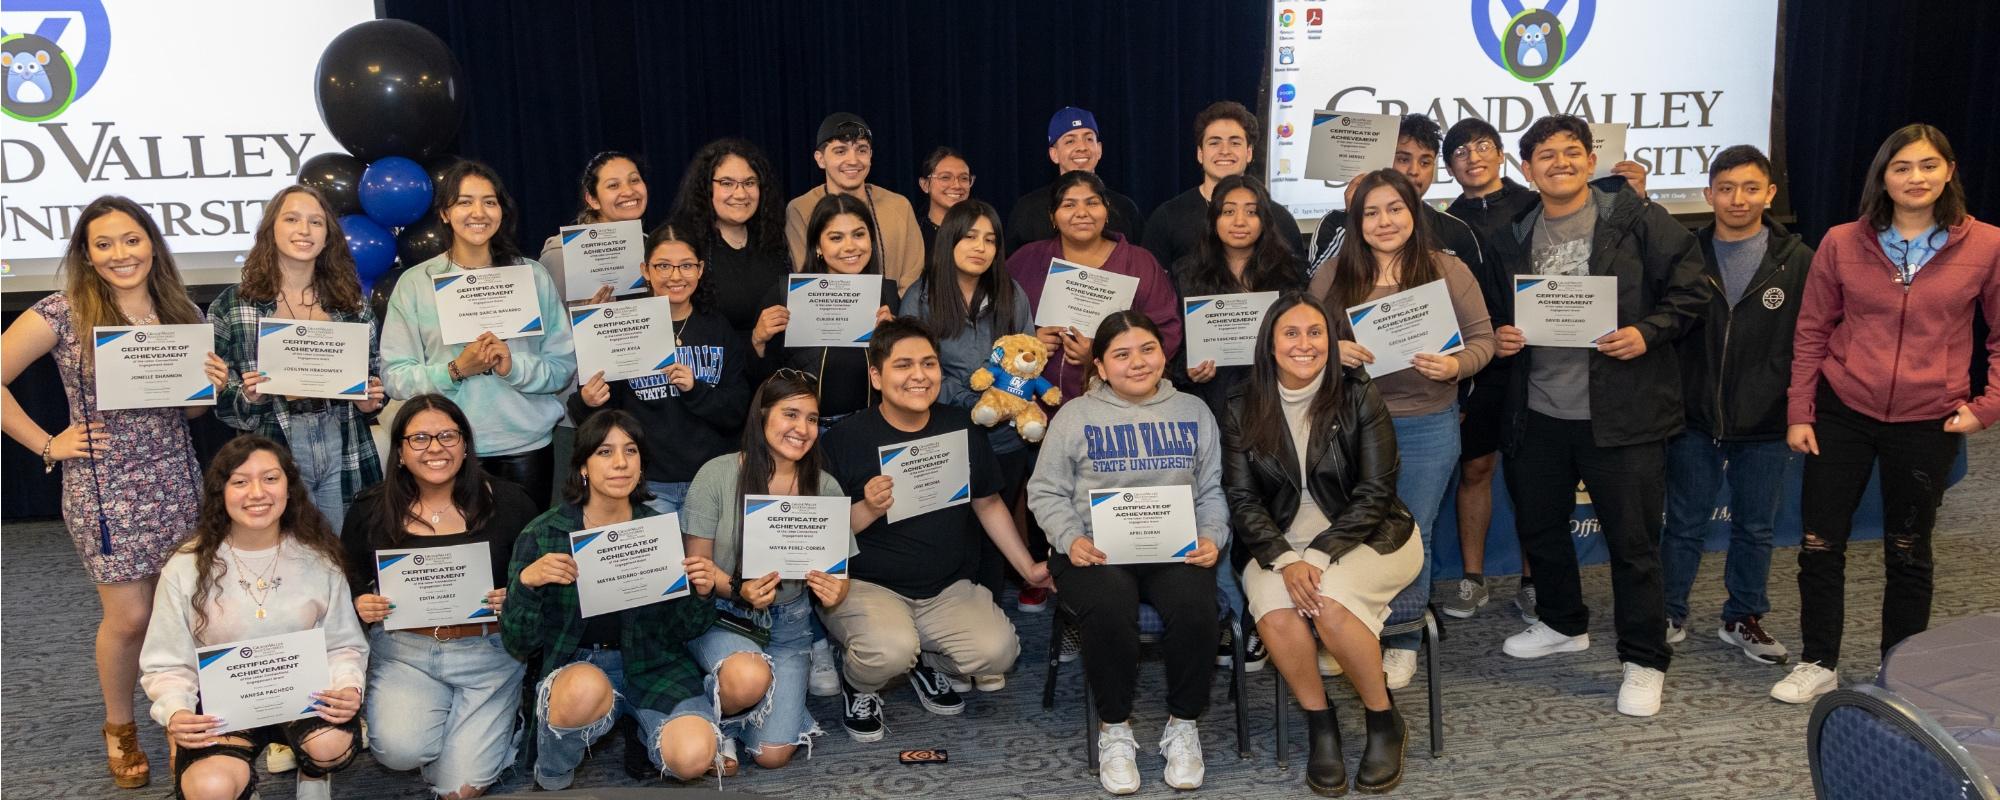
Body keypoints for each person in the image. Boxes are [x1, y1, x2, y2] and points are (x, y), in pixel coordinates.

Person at [0, 195, 224, 791]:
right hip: (106, 488)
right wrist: (48, 444)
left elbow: (189, 415)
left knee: (188, 608)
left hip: (175, 479)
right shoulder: (63, 311)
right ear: (87, 255)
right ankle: (120, 728)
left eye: (131, 239)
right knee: (130, 617)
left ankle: (190, 725)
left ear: (152, 243)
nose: (121, 253)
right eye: (104, 244)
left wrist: (208, 390)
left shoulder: (179, 310)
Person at [1489, 115, 1710, 718]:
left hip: (1622, 414)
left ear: (1591, 160)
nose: (1558, 163)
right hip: (1537, 411)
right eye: (1544, 156)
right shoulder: (1515, 232)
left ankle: (1644, 659)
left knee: (1633, 544)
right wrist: (1503, 338)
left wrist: (1646, 332)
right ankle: (1563, 622)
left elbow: (1694, 293)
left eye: (1570, 153)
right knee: (1540, 528)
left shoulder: (1638, 219)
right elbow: (1496, 314)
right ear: (1525, 168)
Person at [1774, 123, 2000, 703]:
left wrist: (1987, 407)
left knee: (1908, 548)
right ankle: (1817, 659)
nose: (1915, 178)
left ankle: (1899, 673)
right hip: (1842, 410)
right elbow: (1811, 330)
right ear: (1884, 177)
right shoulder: (1841, 242)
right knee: (1820, 542)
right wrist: (1801, 409)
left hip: (1930, 419)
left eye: (1927, 165)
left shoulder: (1986, 245)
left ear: (1948, 171)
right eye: (1901, 167)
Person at [1221, 292, 1420, 795]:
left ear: (1332, 343)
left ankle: (1382, 719)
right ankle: (1320, 725)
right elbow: (1243, 500)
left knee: (1327, 605)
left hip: (1370, 534)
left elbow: (1377, 492)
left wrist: (1316, 554)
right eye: (1291, 333)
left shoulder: (1358, 393)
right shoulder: (1240, 406)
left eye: (1315, 333)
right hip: (1275, 541)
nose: (1304, 344)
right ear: (1269, 343)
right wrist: (1287, 557)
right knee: (1278, 612)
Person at [819, 317, 1051, 737]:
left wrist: (1030, 569)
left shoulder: (959, 425)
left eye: (928, 364)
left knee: (999, 652)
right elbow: (820, 537)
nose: (918, 376)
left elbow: (989, 503)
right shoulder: (844, 439)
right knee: (888, 651)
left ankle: (923, 658)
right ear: (876, 375)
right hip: (869, 586)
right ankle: (861, 682)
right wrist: (868, 507)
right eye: (903, 365)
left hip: (945, 587)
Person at [1028, 311, 1228, 795]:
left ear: (1164, 355)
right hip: (1093, 550)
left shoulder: (1194, 411)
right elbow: (1045, 492)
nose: (1137, 362)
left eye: (1147, 350)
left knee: (1196, 607)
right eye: (1121, 354)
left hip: (1172, 546)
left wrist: (1213, 536)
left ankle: (1183, 725)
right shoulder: (1075, 415)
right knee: (1112, 607)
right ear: (1099, 365)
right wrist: (1070, 538)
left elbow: (1211, 490)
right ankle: (1114, 729)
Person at [1312, 169, 1497, 689]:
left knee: (1411, 531)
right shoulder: (1332, 275)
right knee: (1347, 527)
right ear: (1357, 221)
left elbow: (1482, 340)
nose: (1384, 221)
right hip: (1350, 424)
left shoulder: (1447, 269)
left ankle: (1401, 637)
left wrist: (1457, 367)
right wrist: (1331, 349)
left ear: (1413, 213)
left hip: (1427, 423)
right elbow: (1300, 340)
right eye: (1371, 212)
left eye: (1395, 208)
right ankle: (1347, 630)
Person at [501, 410, 735, 788]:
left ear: (642, 464)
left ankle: (642, 729)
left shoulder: (659, 531)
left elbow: (682, 630)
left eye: (631, 450)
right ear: (583, 467)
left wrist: (702, 593)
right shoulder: (544, 534)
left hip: (653, 663)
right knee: (584, 689)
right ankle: (553, 773)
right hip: (581, 666)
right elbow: (519, 643)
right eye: (605, 452)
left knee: (693, 756)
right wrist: (527, 584)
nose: (621, 463)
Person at [139, 436, 367, 800]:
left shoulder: (318, 559)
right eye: (240, 481)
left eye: (271, 479)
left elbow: (343, 645)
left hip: (302, 699)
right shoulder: (185, 568)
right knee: (210, 789)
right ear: (221, 492)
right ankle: (242, 782)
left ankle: (312, 773)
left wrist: (348, 687)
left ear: (290, 488)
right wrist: (176, 712)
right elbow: (166, 662)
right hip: (222, 708)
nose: (257, 493)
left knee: (330, 745)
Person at [1659, 145, 1812, 666]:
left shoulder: (1797, 261)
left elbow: (1810, 342)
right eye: (1726, 188)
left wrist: (1795, 408)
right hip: (1694, 418)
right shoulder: (1685, 255)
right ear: (1709, 194)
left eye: (1751, 188)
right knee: (1682, 522)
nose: (1738, 199)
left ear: (1770, 193)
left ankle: (1743, 617)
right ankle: (1669, 611)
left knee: (1755, 527)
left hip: (1766, 420)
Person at [341, 394, 537, 799]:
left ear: (465, 445)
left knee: (457, 791)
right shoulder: (371, 509)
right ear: (399, 452)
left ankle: (500, 720)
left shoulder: (511, 503)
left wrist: (514, 594)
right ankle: (452, 724)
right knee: (399, 751)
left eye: (448, 436)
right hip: (406, 652)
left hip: (488, 654)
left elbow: (537, 578)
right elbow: (348, 576)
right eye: (420, 439)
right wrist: (362, 601)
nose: (435, 448)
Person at [382, 160, 578, 508]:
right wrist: (455, 369)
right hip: (444, 452)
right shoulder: (415, 283)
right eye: (464, 201)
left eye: (489, 201)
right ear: (444, 213)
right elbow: (396, 378)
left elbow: (562, 366)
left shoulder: (531, 276)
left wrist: (511, 367)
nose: (479, 212)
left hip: (526, 447)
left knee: (522, 557)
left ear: (502, 210)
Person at [681, 371, 855, 760]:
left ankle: (759, 706)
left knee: (773, 755)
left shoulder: (825, 486)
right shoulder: (717, 474)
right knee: (746, 679)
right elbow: (698, 568)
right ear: (762, 417)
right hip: (723, 615)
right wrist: (737, 588)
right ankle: (714, 707)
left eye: (812, 419)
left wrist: (835, 590)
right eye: (790, 414)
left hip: (790, 624)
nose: (803, 428)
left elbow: (839, 577)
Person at [211, 185, 386, 532]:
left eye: (316, 222)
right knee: (286, 556)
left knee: (346, 552)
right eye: (292, 219)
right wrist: (248, 395)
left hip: (344, 438)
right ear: (271, 229)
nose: (304, 230)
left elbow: (375, 379)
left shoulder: (353, 305)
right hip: (273, 442)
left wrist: (371, 400)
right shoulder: (234, 305)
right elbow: (218, 399)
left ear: (328, 237)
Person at [900, 200, 1045, 608]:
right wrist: (972, 397)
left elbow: (1029, 359)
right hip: (943, 430)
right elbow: (914, 369)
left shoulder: (1010, 292)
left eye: (990, 239)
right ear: (948, 241)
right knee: (953, 535)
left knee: (993, 542)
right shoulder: (921, 296)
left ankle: (992, 617)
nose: (980, 247)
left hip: (1004, 439)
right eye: (970, 237)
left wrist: (1002, 398)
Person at [1439, 116, 1542, 622]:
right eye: (1459, 151)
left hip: (1542, 360)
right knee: (1476, 467)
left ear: (1501, 153)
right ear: (1450, 166)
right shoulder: (1444, 224)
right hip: (1481, 365)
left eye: (1482, 146)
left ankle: (1533, 579)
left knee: (1532, 471)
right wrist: (1485, 340)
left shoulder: (1537, 204)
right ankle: (1473, 578)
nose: (1472, 156)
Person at [572, 224, 750, 514]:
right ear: (645, 270)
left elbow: (737, 412)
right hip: (648, 483)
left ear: (701, 269)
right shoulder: (621, 326)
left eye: (687, 265)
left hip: (711, 480)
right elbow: (598, 417)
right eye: (663, 266)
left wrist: (695, 389)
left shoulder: (718, 328)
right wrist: (586, 401)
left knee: (707, 561)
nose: (676, 276)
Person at [1007, 170, 1184, 414]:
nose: (1082, 213)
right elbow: (995, 326)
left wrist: (1102, 355)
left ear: (1106, 210)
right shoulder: (1025, 261)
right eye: (1069, 204)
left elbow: (1167, 332)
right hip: (1035, 413)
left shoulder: (1140, 263)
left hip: (1122, 410)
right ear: (1053, 216)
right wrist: (1027, 343)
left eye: (1092, 202)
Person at [752, 193, 900, 428]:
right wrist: (758, 342)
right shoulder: (787, 295)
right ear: (818, 247)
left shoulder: (889, 296)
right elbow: (760, 382)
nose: (850, 246)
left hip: (869, 428)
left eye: (859, 234)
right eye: (836, 238)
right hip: (805, 432)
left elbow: (901, 380)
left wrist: (893, 340)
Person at [1169, 173, 1309, 413]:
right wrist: (1188, 369)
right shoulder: (1186, 273)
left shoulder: (1290, 271)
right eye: (1229, 211)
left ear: (1265, 220)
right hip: (1211, 402)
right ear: (1214, 219)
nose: (1240, 222)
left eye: (1251, 212)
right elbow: (1173, 344)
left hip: (1275, 400)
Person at [1143, 100, 1306, 269]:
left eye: (1235, 143)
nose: (1225, 151)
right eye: (1214, 143)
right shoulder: (1167, 218)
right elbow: (1151, 286)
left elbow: (1297, 285)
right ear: (1200, 153)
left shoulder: (1279, 218)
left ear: (1249, 153)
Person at [784, 113, 926, 293]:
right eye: (840, 151)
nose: (853, 160)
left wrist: (893, 318)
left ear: (871, 155)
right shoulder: (800, 209)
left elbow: (913, 279)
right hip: (828, 315)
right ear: (820, 159)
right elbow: (807, 278)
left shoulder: (899, 206)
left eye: (861, 150)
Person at [668, 139, 794, 339]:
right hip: (718, 365)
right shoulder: (686, 248)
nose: (740, 193)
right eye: (727, 183)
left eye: (749, 183)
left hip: (777, 365)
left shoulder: (774, 239)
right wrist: (755, 339)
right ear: (706, 188)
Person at [1008, 106, 1147, 250]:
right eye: (1070, 141)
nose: (1082, 147)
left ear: (1099, 149)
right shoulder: (1028, 209)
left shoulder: (1125, 209)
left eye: (1088, 139)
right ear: (1054, 154)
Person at [538, 151, 650, 303]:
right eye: (613, 185)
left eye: (634, 180)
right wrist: (587, 317)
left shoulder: (652, 247)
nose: (629, 191)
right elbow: (551, 322)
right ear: (593, 199)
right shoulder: (561, 254)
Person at [915, 146, 975, 259]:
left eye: (964, 178)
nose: (957, 185)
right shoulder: (913, 234)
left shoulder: (979, 232)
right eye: (945, 177)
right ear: (924, 185)